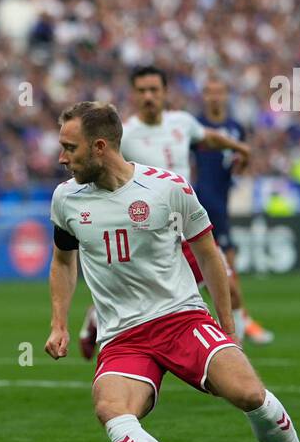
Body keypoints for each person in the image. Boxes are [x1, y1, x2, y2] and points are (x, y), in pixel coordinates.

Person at [45, 101, 300, 442]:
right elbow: (61, 262)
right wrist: (58, 321)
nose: (61, 157)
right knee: (111, 408)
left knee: (249, 395)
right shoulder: (66, 199)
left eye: (69, 147)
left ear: (99, 147)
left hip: (182, 320)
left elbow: (208, 252)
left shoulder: (168, 188)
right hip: (123, 337)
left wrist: (226, 326)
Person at [76, 65, 250, 358]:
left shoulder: (182, 122)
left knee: (230, 290)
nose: (148, 96)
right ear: (133, 94)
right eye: (142, 90)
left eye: (154, 90)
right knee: (141, 302)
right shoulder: (125, 136)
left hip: (187, 231)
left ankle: (235, 359)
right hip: (146, 234)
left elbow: (208, 137)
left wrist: (241, 148)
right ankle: (97, 315)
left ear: (165, 92)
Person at [196, 75, 274, 344]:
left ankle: (237, 323)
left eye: (219, 91)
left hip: (222, 203)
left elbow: (237, 168)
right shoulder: (195, 127)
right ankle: (236, 325)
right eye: (209, 91)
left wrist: (242, 163)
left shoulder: (235, 128)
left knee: (228, 267)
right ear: (204, 96)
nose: (214, 96)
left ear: (226, 95)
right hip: (198, 205)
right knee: (214, 271)